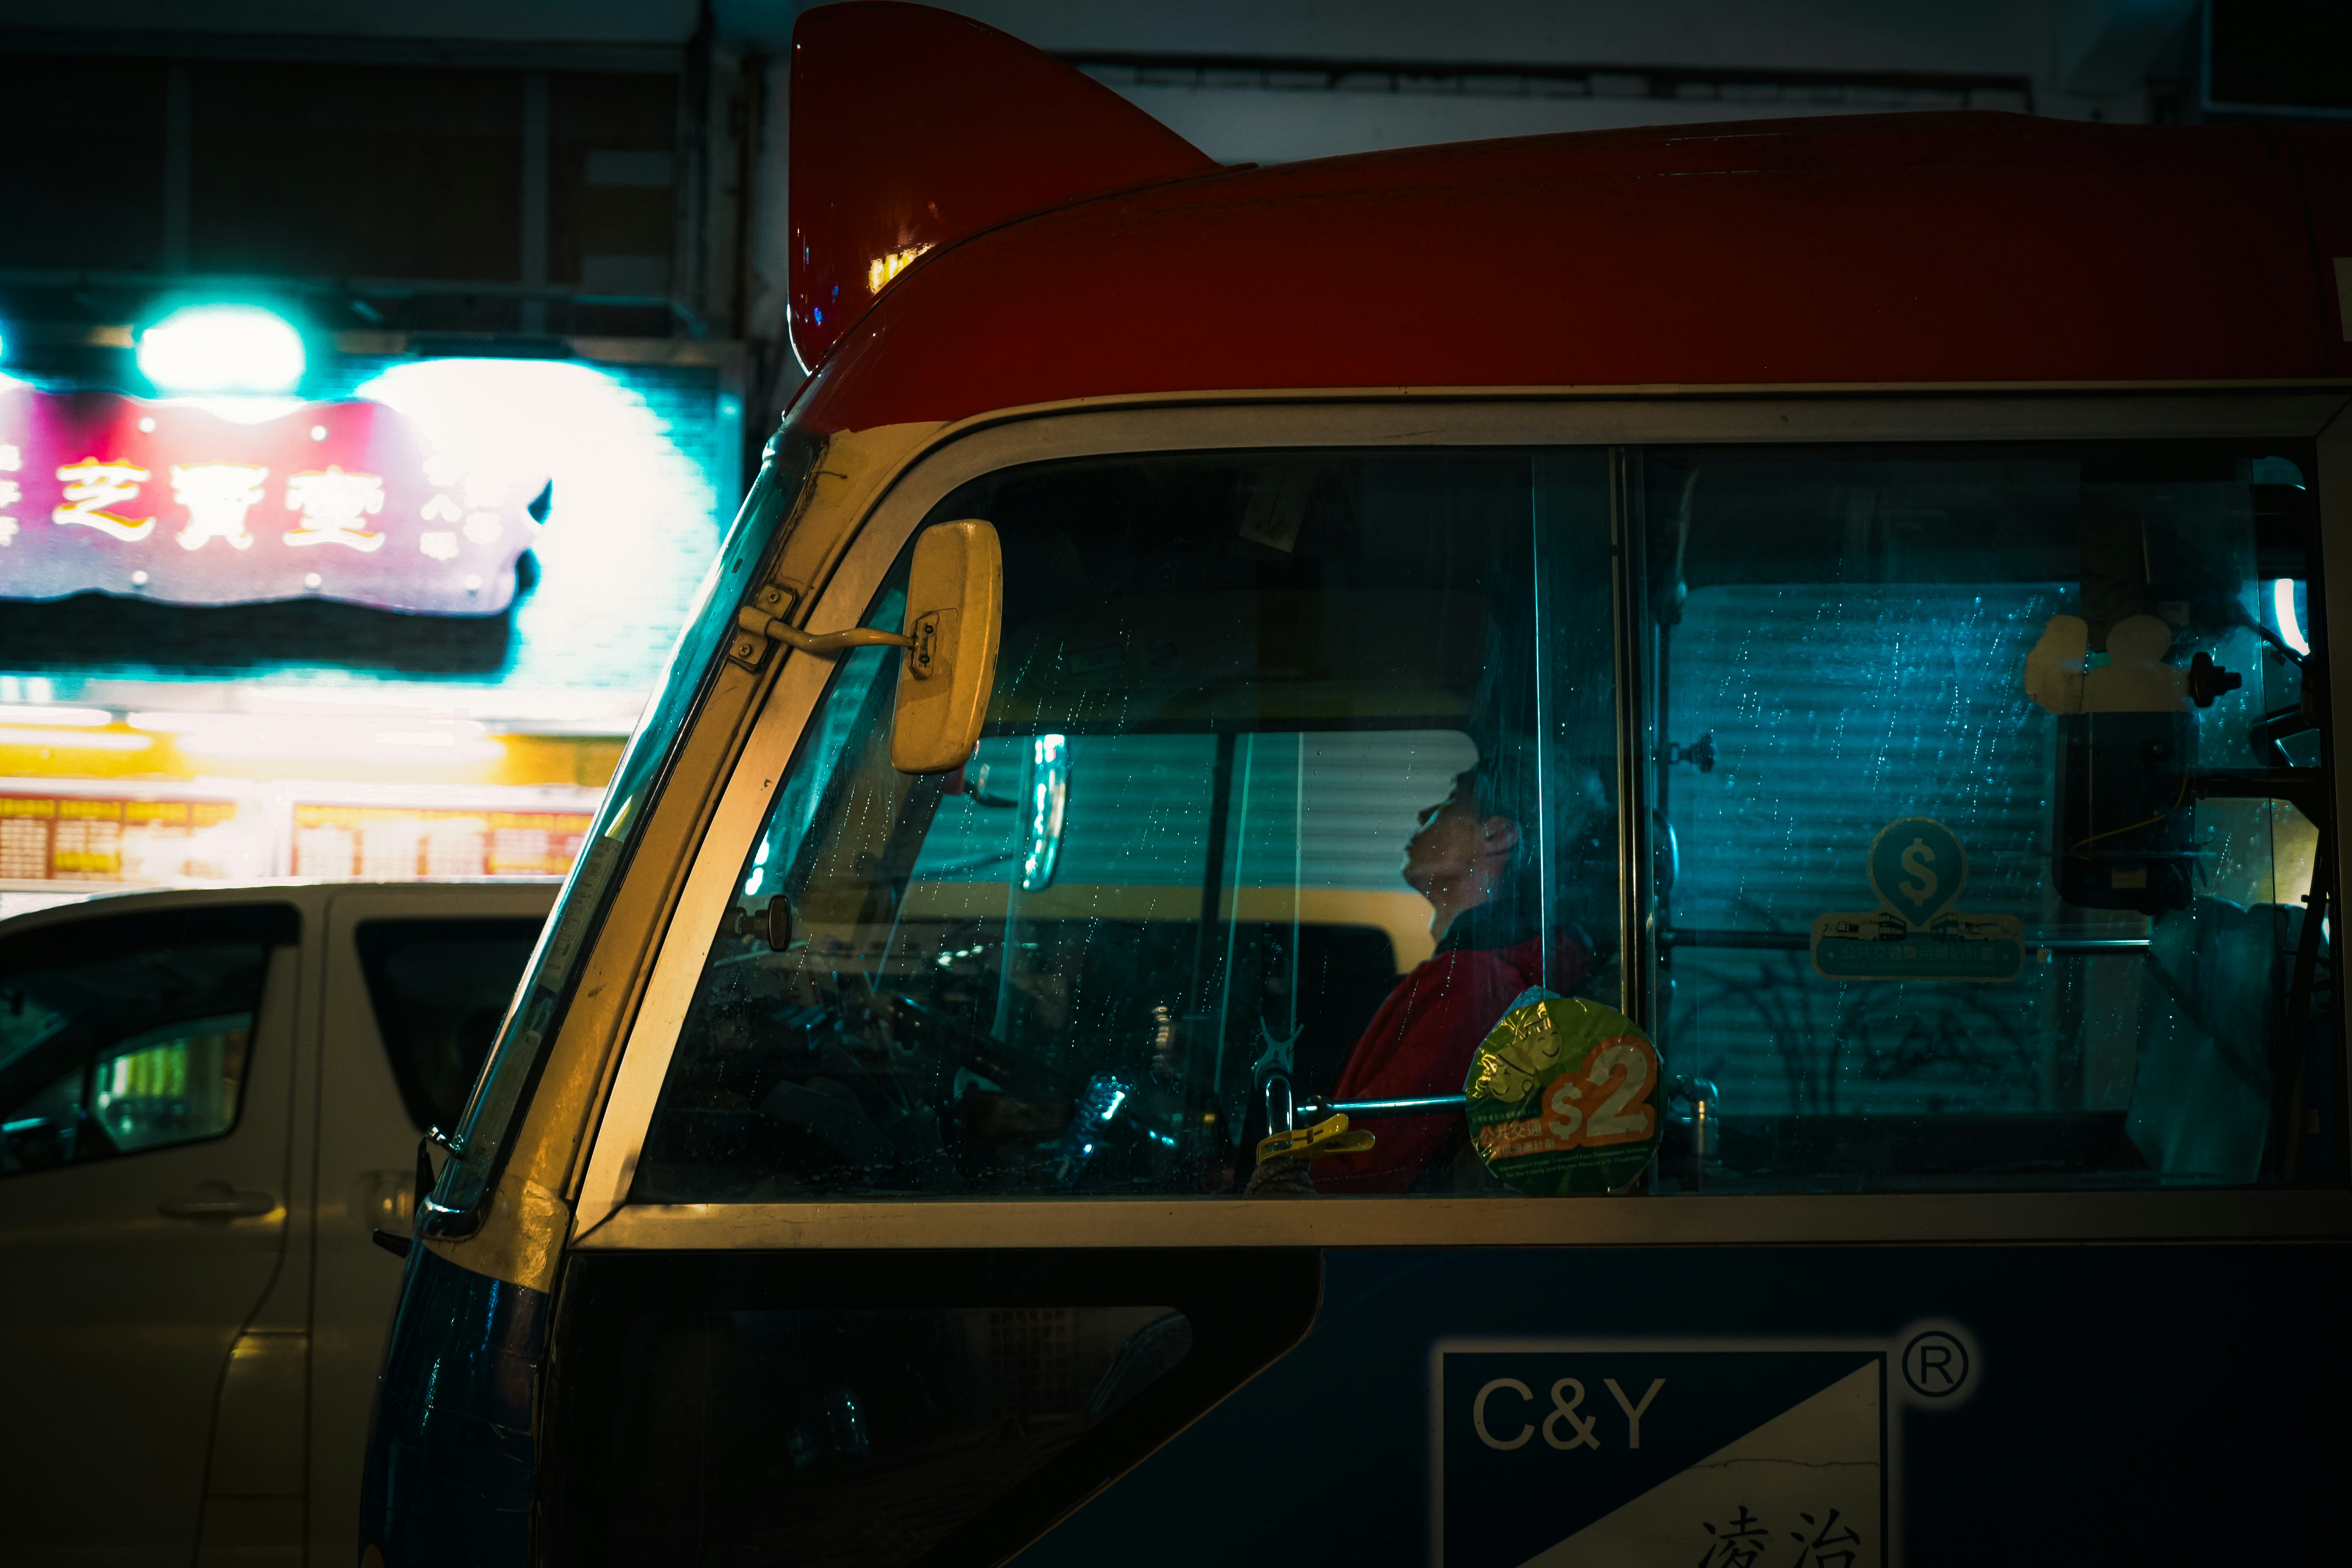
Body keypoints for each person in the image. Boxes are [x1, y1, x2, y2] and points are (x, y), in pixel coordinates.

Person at [1298, 744, 1598, 1194]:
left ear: (1497, 836)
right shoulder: (1486, 973)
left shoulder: (1473, 986)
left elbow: (1363, 1163)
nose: (1423, 816)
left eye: (1448, 804)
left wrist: (1258, 1176)